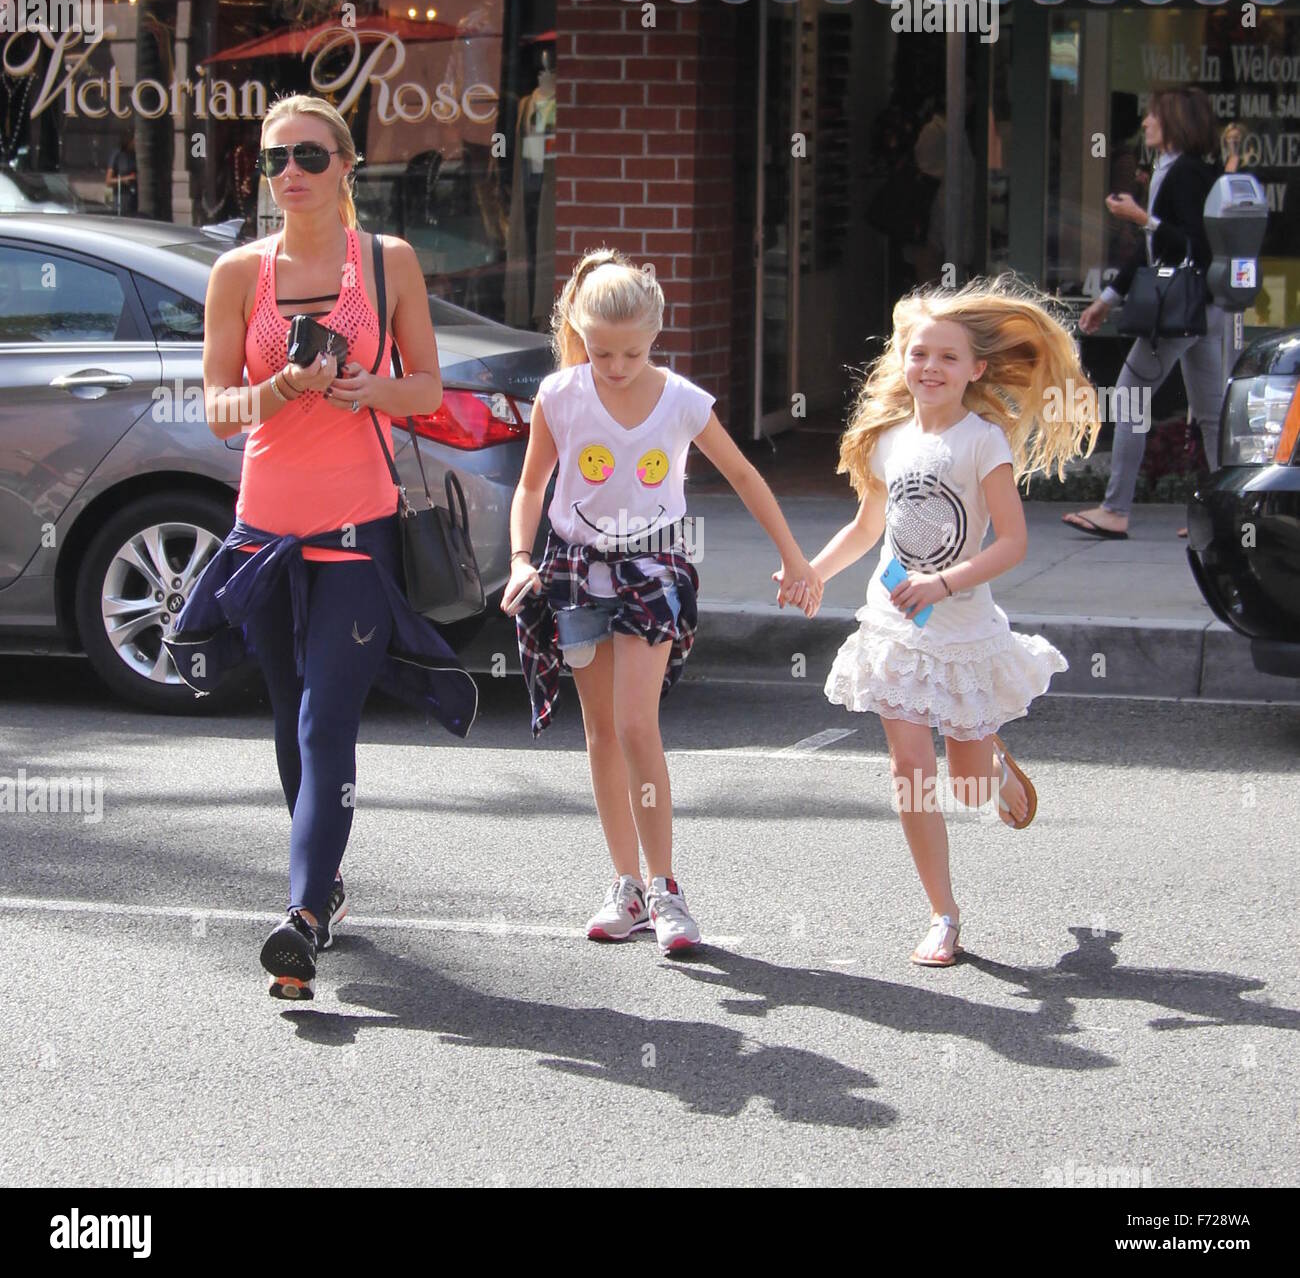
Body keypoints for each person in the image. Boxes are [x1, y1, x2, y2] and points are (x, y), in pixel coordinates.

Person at [163, 93, 478, 1001]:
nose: (290, 174)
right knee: (287, 714)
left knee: (324, 719)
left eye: (308, 155)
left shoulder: (387, 262)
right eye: (273, 160)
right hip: (263, 533)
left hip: (354, 530)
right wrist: (284, 388)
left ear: (346, 166)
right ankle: (326, 882)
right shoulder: (238, 273)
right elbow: (219, 410)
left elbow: (429, 390)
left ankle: (300, 917)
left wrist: (367, 388)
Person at [501, 249, 822, 955]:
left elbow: (743, 474)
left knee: (635, 725)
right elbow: (531, 486)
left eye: (633, 352)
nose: (616, 366)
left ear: (656, 335)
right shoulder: (560, 395)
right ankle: (625, 886)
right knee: (600, 732)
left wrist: (794, 556)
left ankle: (666, 886)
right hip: (575, 571)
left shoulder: (681, 400)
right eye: (601, 352)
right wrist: (521, 559)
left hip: (652, 569)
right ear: (579, 333)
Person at [801, 275, 1100, 968]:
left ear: (976, 370)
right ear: (902, 360)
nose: (930, 367)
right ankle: (943, 914)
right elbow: (867, 527)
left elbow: (1012, 543)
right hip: (895, 625)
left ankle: (990, 763)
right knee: (909, 770)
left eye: (947, 357)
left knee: (965, 785)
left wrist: (943, 581)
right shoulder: (887, 439)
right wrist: (814, 572)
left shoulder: (982, 441)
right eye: (919, 353)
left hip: (962, 627)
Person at [1065, 86, 1224, 541]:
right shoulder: (1177, 171)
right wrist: (1107, 299)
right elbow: (1153, 250)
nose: (1145, 122)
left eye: (1153, 115)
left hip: (1180, 310)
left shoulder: (1183, 173)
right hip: (1201, 308)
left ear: (1173, 122)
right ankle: (1222, 516)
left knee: (1130, 397)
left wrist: (1142, 218)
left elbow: (1193, 245)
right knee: (1211, 414)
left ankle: (1115, 509)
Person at [105, 129, 137, 215]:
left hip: (135, 198)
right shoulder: (117, 155)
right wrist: (124, 179)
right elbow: (108, 181)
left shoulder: (136, 155)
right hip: (122, 198)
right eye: (135, 140)